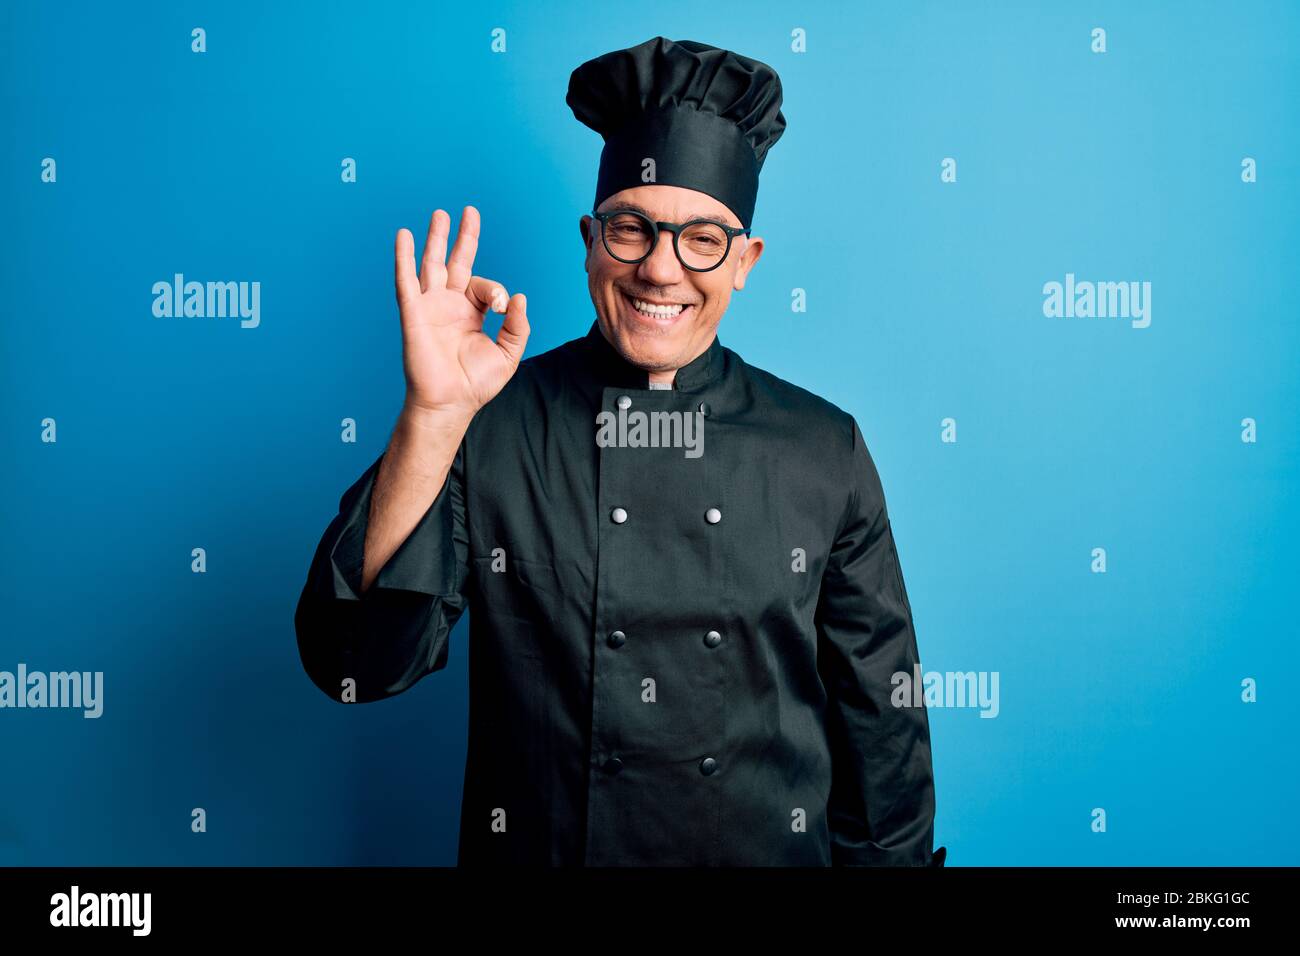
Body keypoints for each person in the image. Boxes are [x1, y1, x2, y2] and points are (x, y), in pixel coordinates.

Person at [295, 36, 945, 867]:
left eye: (703, 239)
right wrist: (432, 413)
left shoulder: (823, 448)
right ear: (591, 239)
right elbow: (353, 663)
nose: (661, 271)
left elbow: (884, 738)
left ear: (744, 261)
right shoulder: (487, 424)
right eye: (632, 229)